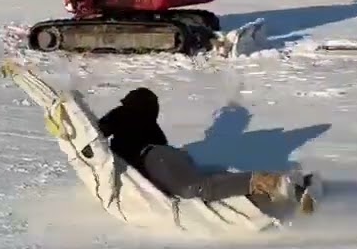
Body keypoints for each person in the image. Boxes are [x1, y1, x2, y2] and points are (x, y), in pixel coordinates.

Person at [97, 87, 314, 213]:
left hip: (154, 158)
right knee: (209, 179)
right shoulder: (152, 128)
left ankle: (271, 183)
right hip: (167, 156)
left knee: (192, 188)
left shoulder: (123, 114)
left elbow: (96, 131)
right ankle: (290, 186)